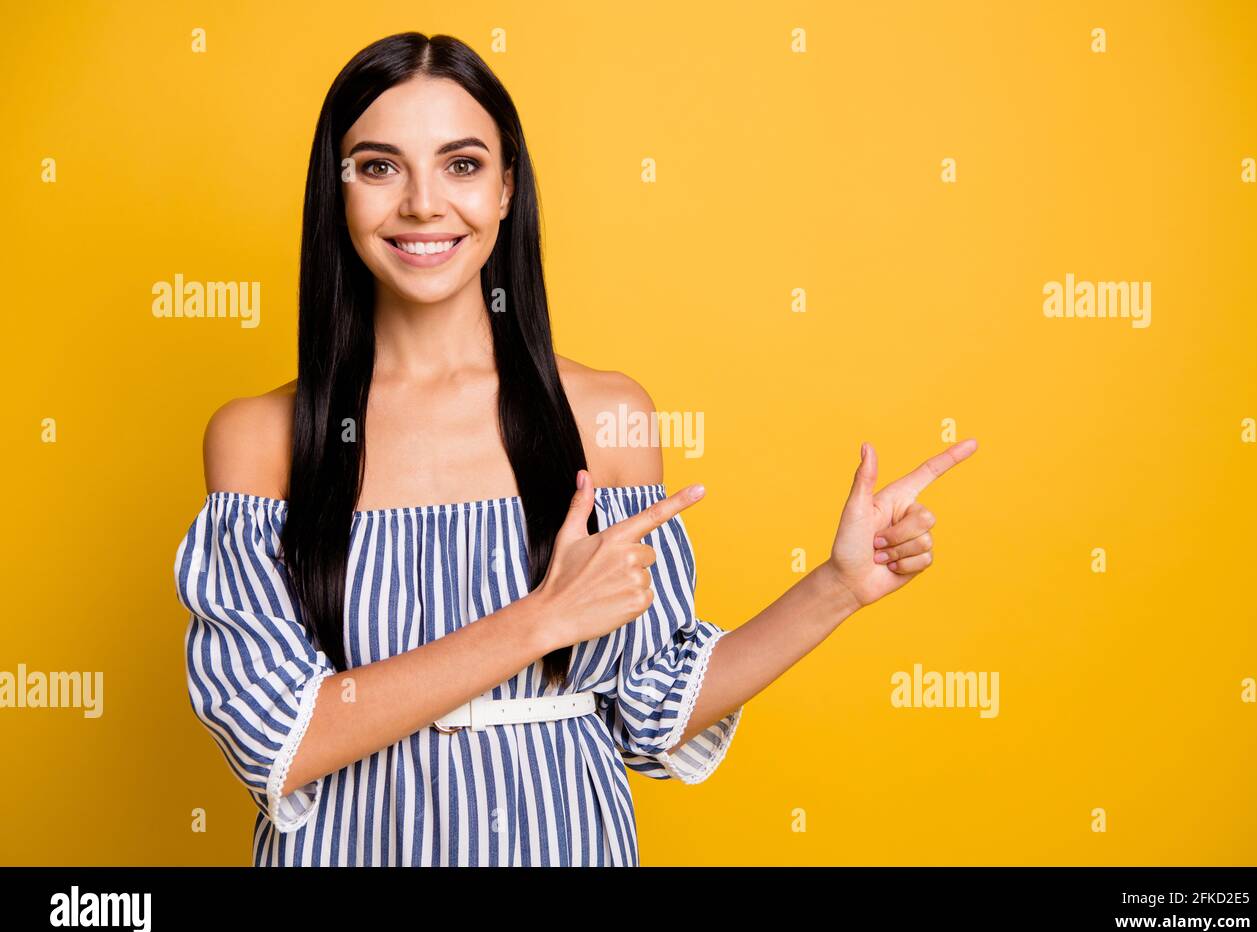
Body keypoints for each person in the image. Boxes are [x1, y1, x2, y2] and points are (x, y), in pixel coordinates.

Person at [172, 32, 978, 866]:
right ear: (336, 191)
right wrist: (538, 621)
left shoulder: (606, 416)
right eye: (379, 167)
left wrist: (839, 586)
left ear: (508, 186)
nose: (421, 204)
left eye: (461, 164)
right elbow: (276, 740)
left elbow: (651, 707)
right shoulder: (263, 439)